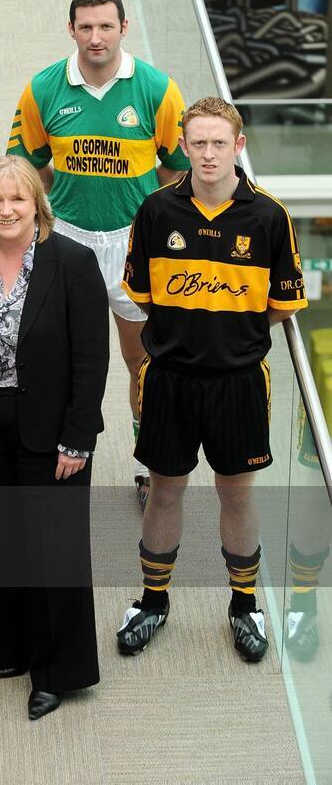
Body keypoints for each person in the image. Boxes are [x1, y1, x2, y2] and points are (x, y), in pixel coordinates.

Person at [116, 96, 308, 662]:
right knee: (165, 490)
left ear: (238, 146)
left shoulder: (269, 217)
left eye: (217, 143)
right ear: (184, 146)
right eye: (196, 143)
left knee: (236, 494)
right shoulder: (156, 212)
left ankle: (244, 603)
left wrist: (230, 334)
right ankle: (153, 601)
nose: (206, 154)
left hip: (239, 382)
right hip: (170, 379)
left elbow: (280, 305)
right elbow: (144, 298)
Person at [6, 0, 190, 508]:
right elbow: (24, 169)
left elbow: (175, 174)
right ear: (71, 29)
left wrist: (160, 232)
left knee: (142, 361)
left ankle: (144, 462)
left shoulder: (157, 88)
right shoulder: (43, 88)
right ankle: (52, 452)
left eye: (106, 25)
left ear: (123, 28)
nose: (95, 37)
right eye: (85, 26)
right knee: (54, 357)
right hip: (68, 242)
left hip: (134, 247)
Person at [0, 156, 109, 720]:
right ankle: (16, 650)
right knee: (8, 543)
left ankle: (59, 671)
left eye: (18, 199)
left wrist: (77, 438)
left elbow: (91, 359)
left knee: (56, 552)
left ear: (37, 205)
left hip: (53, 432)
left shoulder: (72, 262)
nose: (7, 209)